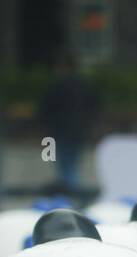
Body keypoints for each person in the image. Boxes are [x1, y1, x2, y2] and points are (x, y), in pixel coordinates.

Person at [39, 50, 100, 196]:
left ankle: (68, 194)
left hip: (61, 131)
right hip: (80, 131)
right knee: (72, 164)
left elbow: (46, 109)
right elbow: (95, 107)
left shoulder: (57, 86)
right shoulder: (84, 86)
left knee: (64, 165)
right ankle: (72, 191)